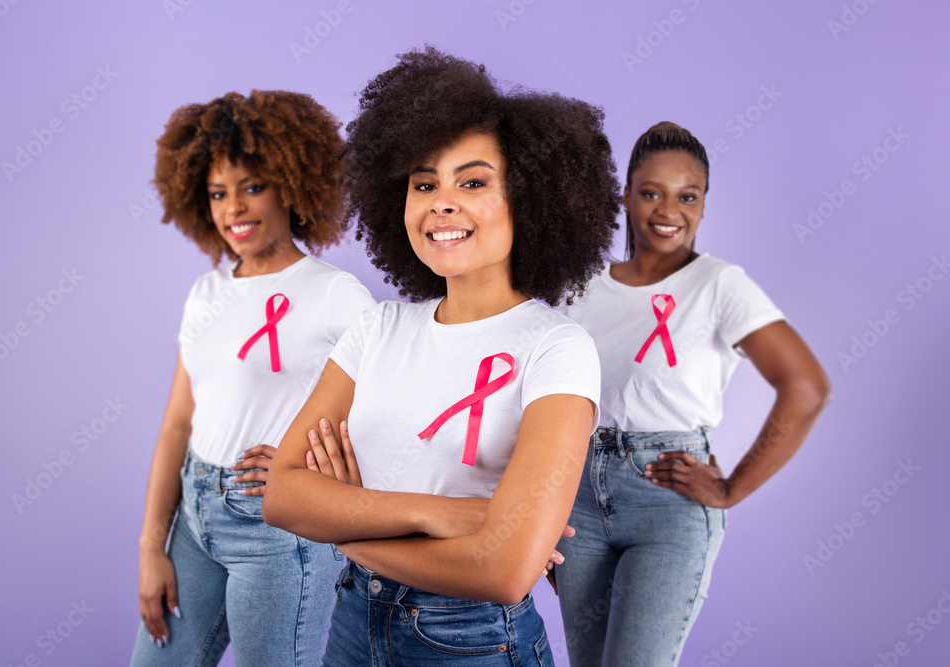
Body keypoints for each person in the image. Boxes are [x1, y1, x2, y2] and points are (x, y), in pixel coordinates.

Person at [262, 47, 622, 665]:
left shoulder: (557, 350)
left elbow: (505, 571)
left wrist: (345, 525)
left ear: (529, 201)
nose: (441, 202)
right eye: (424, 183)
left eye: (473, 182)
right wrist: (445, 514)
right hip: (351, 622)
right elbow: (282, 497)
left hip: (472, 640)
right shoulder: (376, 329)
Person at [554, 121, 832, 666]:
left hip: (667, 500)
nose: (668, 211)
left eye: (688, 196)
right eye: (651, 193)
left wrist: (731, 488)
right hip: (576, 500)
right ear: (626, 196)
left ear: (704, 206)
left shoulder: (719, 286)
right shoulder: (581, 285)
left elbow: (806, 388)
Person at [130, 90, 375, 666]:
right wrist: (150, 549)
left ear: (292, 182)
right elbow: (176, 426)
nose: (233, 208)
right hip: (194, 515)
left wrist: (318, 470)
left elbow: (389, 413)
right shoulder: (207, 293)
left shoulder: (337, 296)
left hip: (278, 532)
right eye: (218, 193)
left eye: (252, 186)